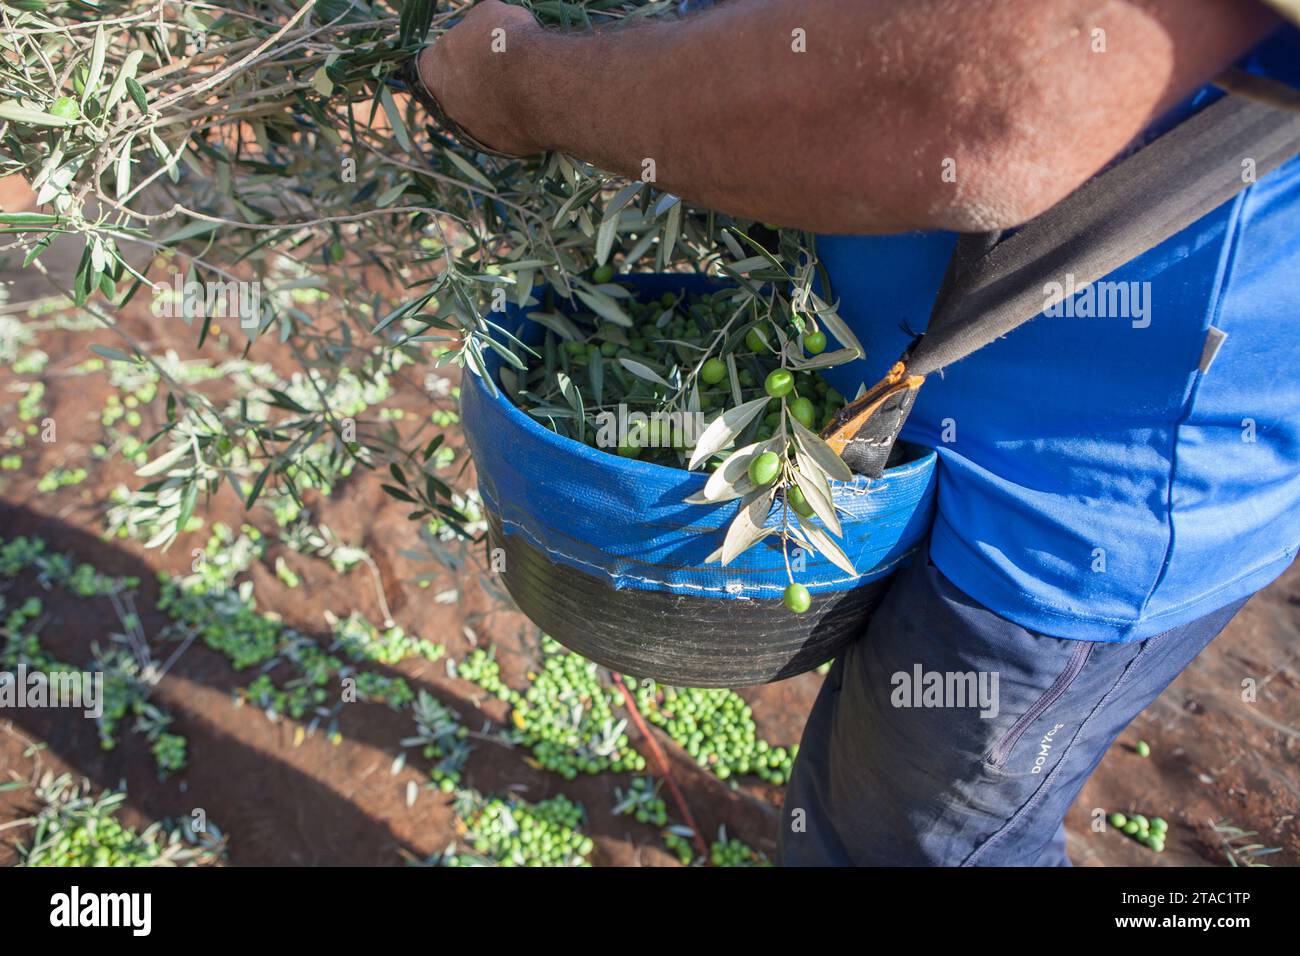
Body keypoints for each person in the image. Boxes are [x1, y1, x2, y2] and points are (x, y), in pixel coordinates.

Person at [413, 0, 1300, 865]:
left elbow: (979, 106)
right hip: (873, 391)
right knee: (862, 780)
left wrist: (527, 87)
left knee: (908, 832)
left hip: (1070, 499)